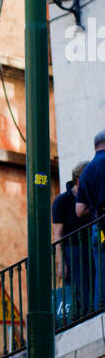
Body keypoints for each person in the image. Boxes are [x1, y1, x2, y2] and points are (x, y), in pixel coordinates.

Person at [52, 162, 91, 319]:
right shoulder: (62, 201)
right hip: (72, 251)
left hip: (90, 248)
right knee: (78, 290)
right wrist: (61, 263)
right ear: (79, 180)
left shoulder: (90, 198)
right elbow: (57, 234)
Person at [75, 129, 105, 310]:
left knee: (100, 272)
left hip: (98, 227)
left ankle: (98, 312)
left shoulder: (86, 172)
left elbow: (79, 210)